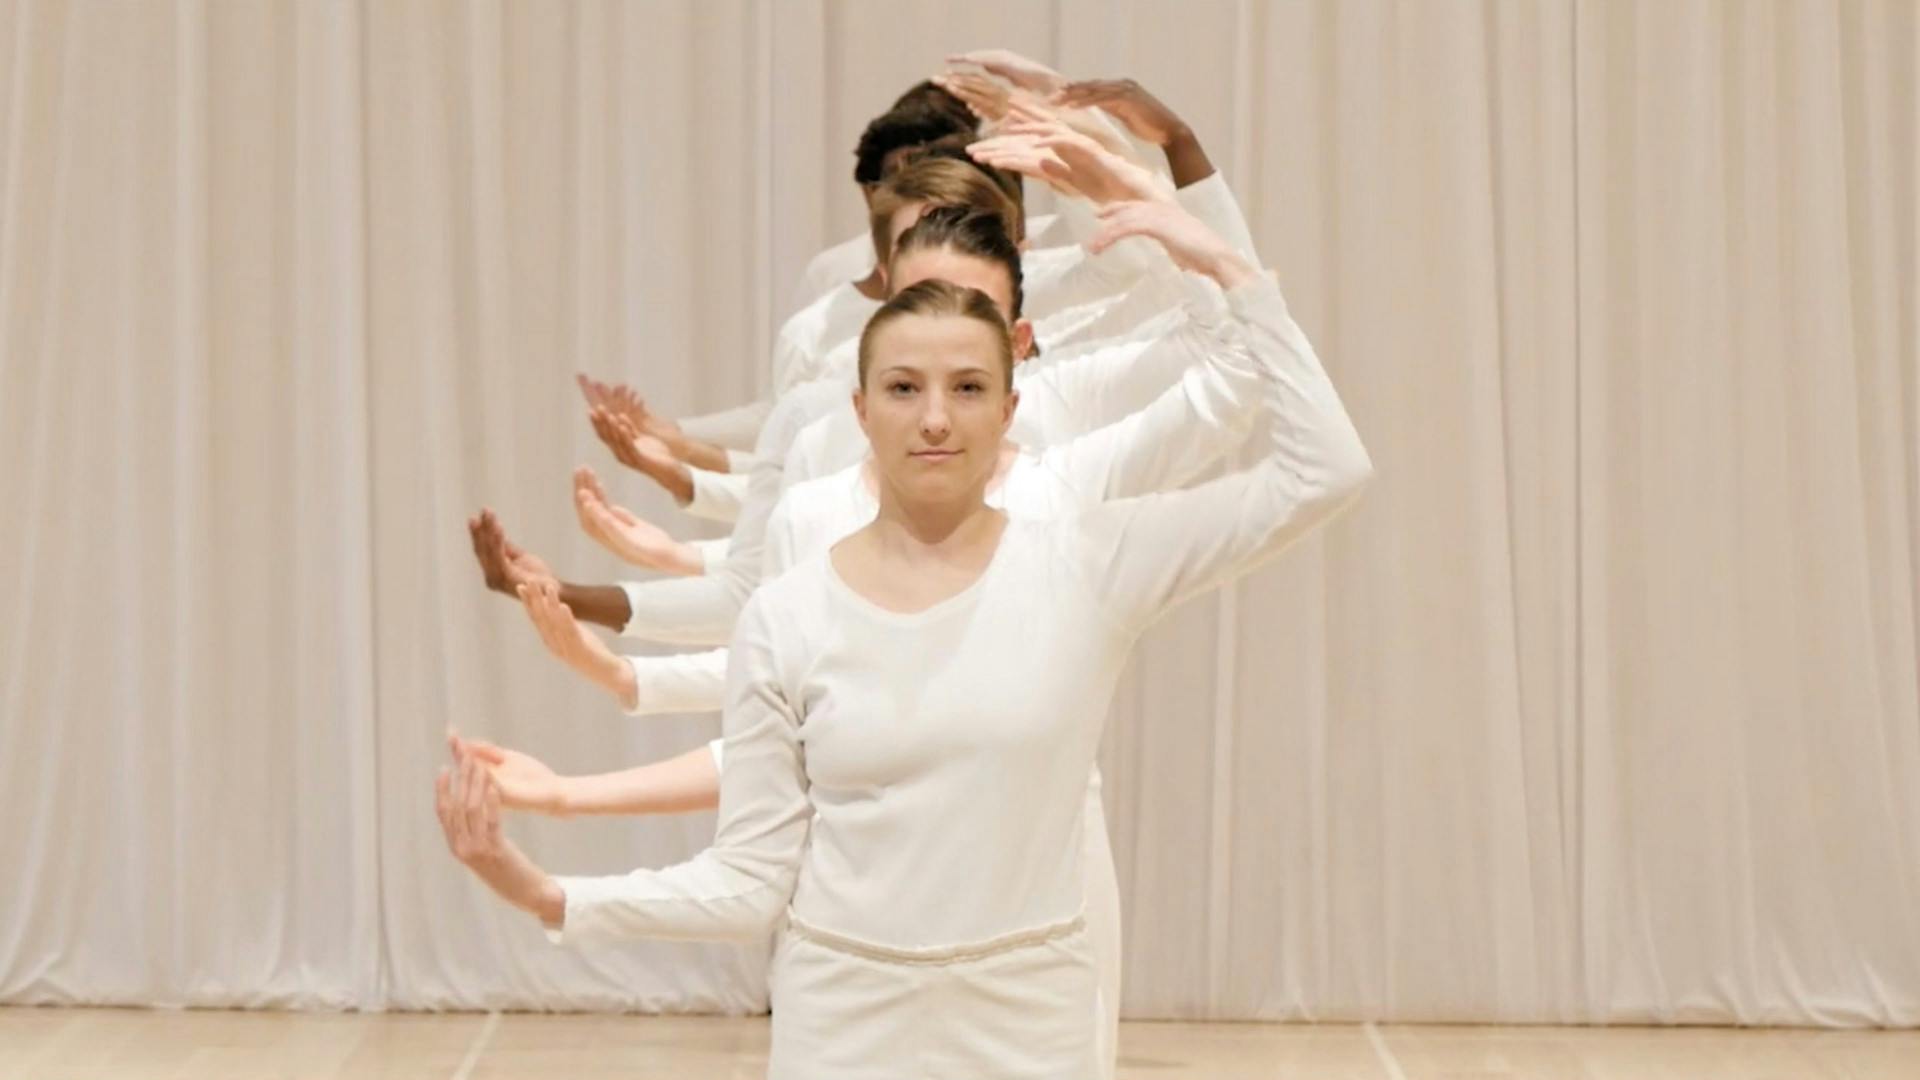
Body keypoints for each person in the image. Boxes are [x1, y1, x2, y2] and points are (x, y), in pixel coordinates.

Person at [437, 220, 1371, 1076]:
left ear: (1011, 407)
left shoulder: (1089, 562)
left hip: (1028, 1017)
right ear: (859, 409)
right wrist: (537, 890)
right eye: (904, 388)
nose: (935, 418)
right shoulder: (789, 614)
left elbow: (1325, 470)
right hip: (842, 1022)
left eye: (968, 388)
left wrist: (1234, 272)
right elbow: (751, 879)